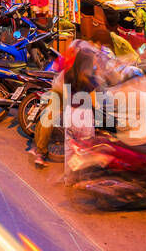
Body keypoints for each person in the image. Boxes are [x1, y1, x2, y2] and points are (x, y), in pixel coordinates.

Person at [31, 40, 99, 168]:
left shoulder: (82, 46)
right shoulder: (84, 48)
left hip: (68, 83)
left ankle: (38, 146)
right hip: (62, 86)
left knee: (49, 115)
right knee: (51, 117)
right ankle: (40, 152)